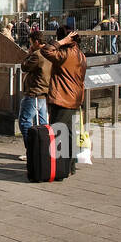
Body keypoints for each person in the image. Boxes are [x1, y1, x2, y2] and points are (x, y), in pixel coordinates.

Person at [41, 26, 87, 171]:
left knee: (57, 132)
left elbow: (46, 50)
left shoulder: (65, 54)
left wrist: (60, 42)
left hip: (62, 98)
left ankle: (57, 167)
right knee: (71, 133)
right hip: (75, 98)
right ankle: (69, 166)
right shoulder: (80, 54)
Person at [17, 30, 52, 163]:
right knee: (42, 124)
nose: (30, 44)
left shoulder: (37, 55)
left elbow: (24, 67)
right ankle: (43, 151)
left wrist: (29, 53)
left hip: (34, 93)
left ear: (36, 42)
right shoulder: (49, 53)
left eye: (31, 42)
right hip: (43, 93)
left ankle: (32, 151)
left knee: (25, 121)